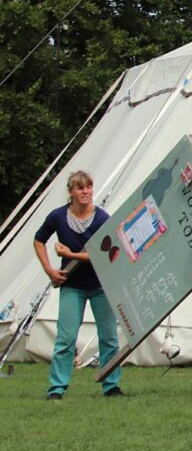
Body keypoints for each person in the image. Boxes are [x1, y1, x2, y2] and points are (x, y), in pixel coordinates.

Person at [32, 171, 121, 400]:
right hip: (72, 286)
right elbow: (39, 239)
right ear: (71, 192)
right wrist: (49, 269)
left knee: (109, 337)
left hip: (101, 285)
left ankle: (111, 385)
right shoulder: (58, 217)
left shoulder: (102, 218)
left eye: (89, 187)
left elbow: (104, 253)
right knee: (66, 337)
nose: (86, 192)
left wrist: (70, 254)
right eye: (81, 188)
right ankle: (57, 388)